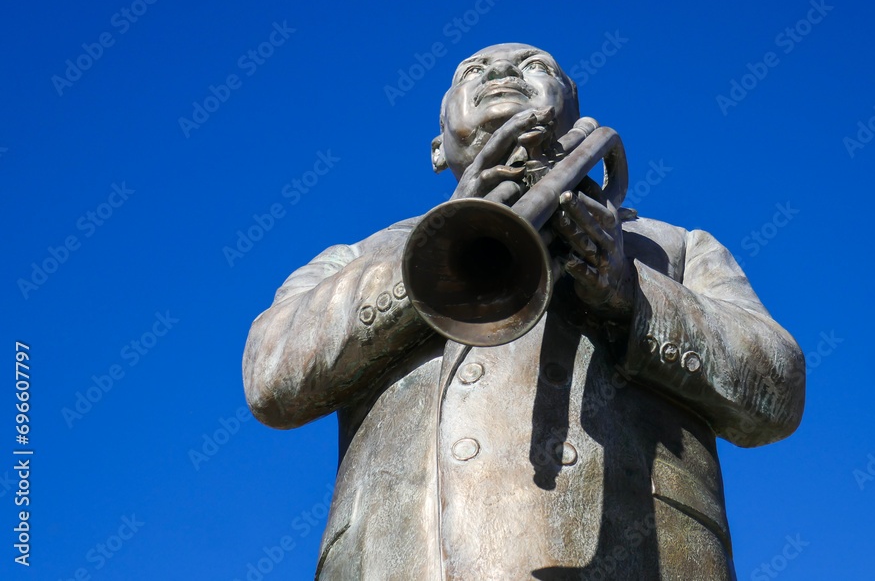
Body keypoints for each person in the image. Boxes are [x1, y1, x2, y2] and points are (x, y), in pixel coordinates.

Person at [243, 43, 806, 580]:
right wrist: (428, 266)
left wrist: (630, 294)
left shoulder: (673, 247)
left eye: (535, 65)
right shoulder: (362, 257)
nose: (502, 72)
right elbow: (270, 378)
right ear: (437, 148)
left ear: (576, 115)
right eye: (474, 71)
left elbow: (778, 389)